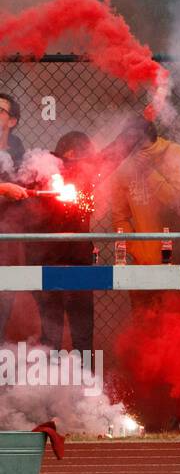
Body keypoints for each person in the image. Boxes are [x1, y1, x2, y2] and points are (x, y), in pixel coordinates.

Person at [108, 117, 180, 319]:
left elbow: (178, 201)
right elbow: (119, 217)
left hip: (176, 258)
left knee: (174, 323)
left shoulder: (174, 153)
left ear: (142, 138)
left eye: (129, 142)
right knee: (143, 323)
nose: (125, 148)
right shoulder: (124, 166)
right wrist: (136, 248)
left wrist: (149, 173)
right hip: (142, 262)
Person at [26, 132, 98, 351]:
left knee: (76, 335)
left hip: (75, 268)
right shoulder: (42, 176)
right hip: (52, 267)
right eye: (83, 155)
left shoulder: (85, 178)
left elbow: (116, 152)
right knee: (57, 336)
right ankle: (56, 383)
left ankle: (81, 381)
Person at [0, 92, 27, 340]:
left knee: (5, 299)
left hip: (8, 241)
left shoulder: (20, 154)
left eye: (1, 111)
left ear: (13, 121)